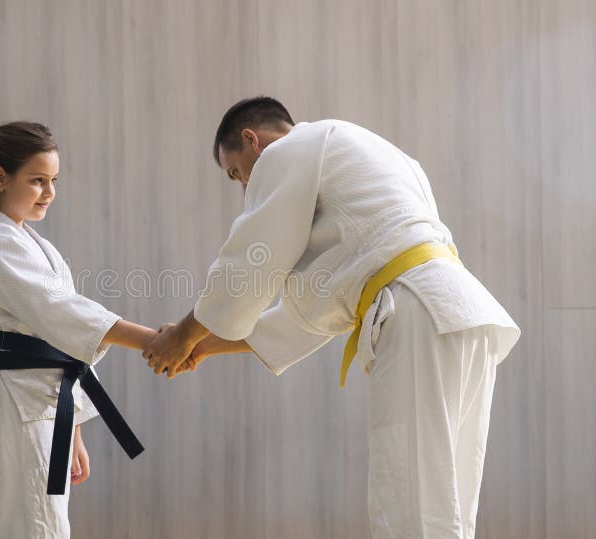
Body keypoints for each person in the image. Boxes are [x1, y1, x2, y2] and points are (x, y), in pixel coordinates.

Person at [143, 97, 521, 538]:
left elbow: (250, 264)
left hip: (418, 313)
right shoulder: (378, 155)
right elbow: (312, 313)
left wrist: (185, 333)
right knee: (447, 501)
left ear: (252, 140)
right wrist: (201, 344)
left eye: (235, 172)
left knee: (410, 501)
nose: (244, 185)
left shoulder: (288, 151)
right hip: (460, 312)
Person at [0, 121, 165, 538]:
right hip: (15, 404)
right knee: (36, 530)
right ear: (0, 178)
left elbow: (62, 336)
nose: (49, 192)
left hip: (38, 403)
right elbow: (63, 314)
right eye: (37, 180)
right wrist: (156, 341)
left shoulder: (24, 240)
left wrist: (72, 429)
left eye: (53, 180)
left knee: (37, 527)